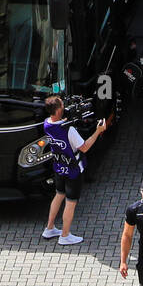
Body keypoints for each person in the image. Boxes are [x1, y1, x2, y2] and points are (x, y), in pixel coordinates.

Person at [40, 95, 106, 246]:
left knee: (59, 195)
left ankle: (49, 228)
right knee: (70, 202)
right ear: (58, 110)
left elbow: (60, 125)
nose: (65, 108)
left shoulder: (47, 124)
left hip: (58, 167)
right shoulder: (68, 130)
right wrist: (97, 131)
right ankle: (65, 235)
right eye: (62, 106)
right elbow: (84, 147)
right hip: (73, 170)